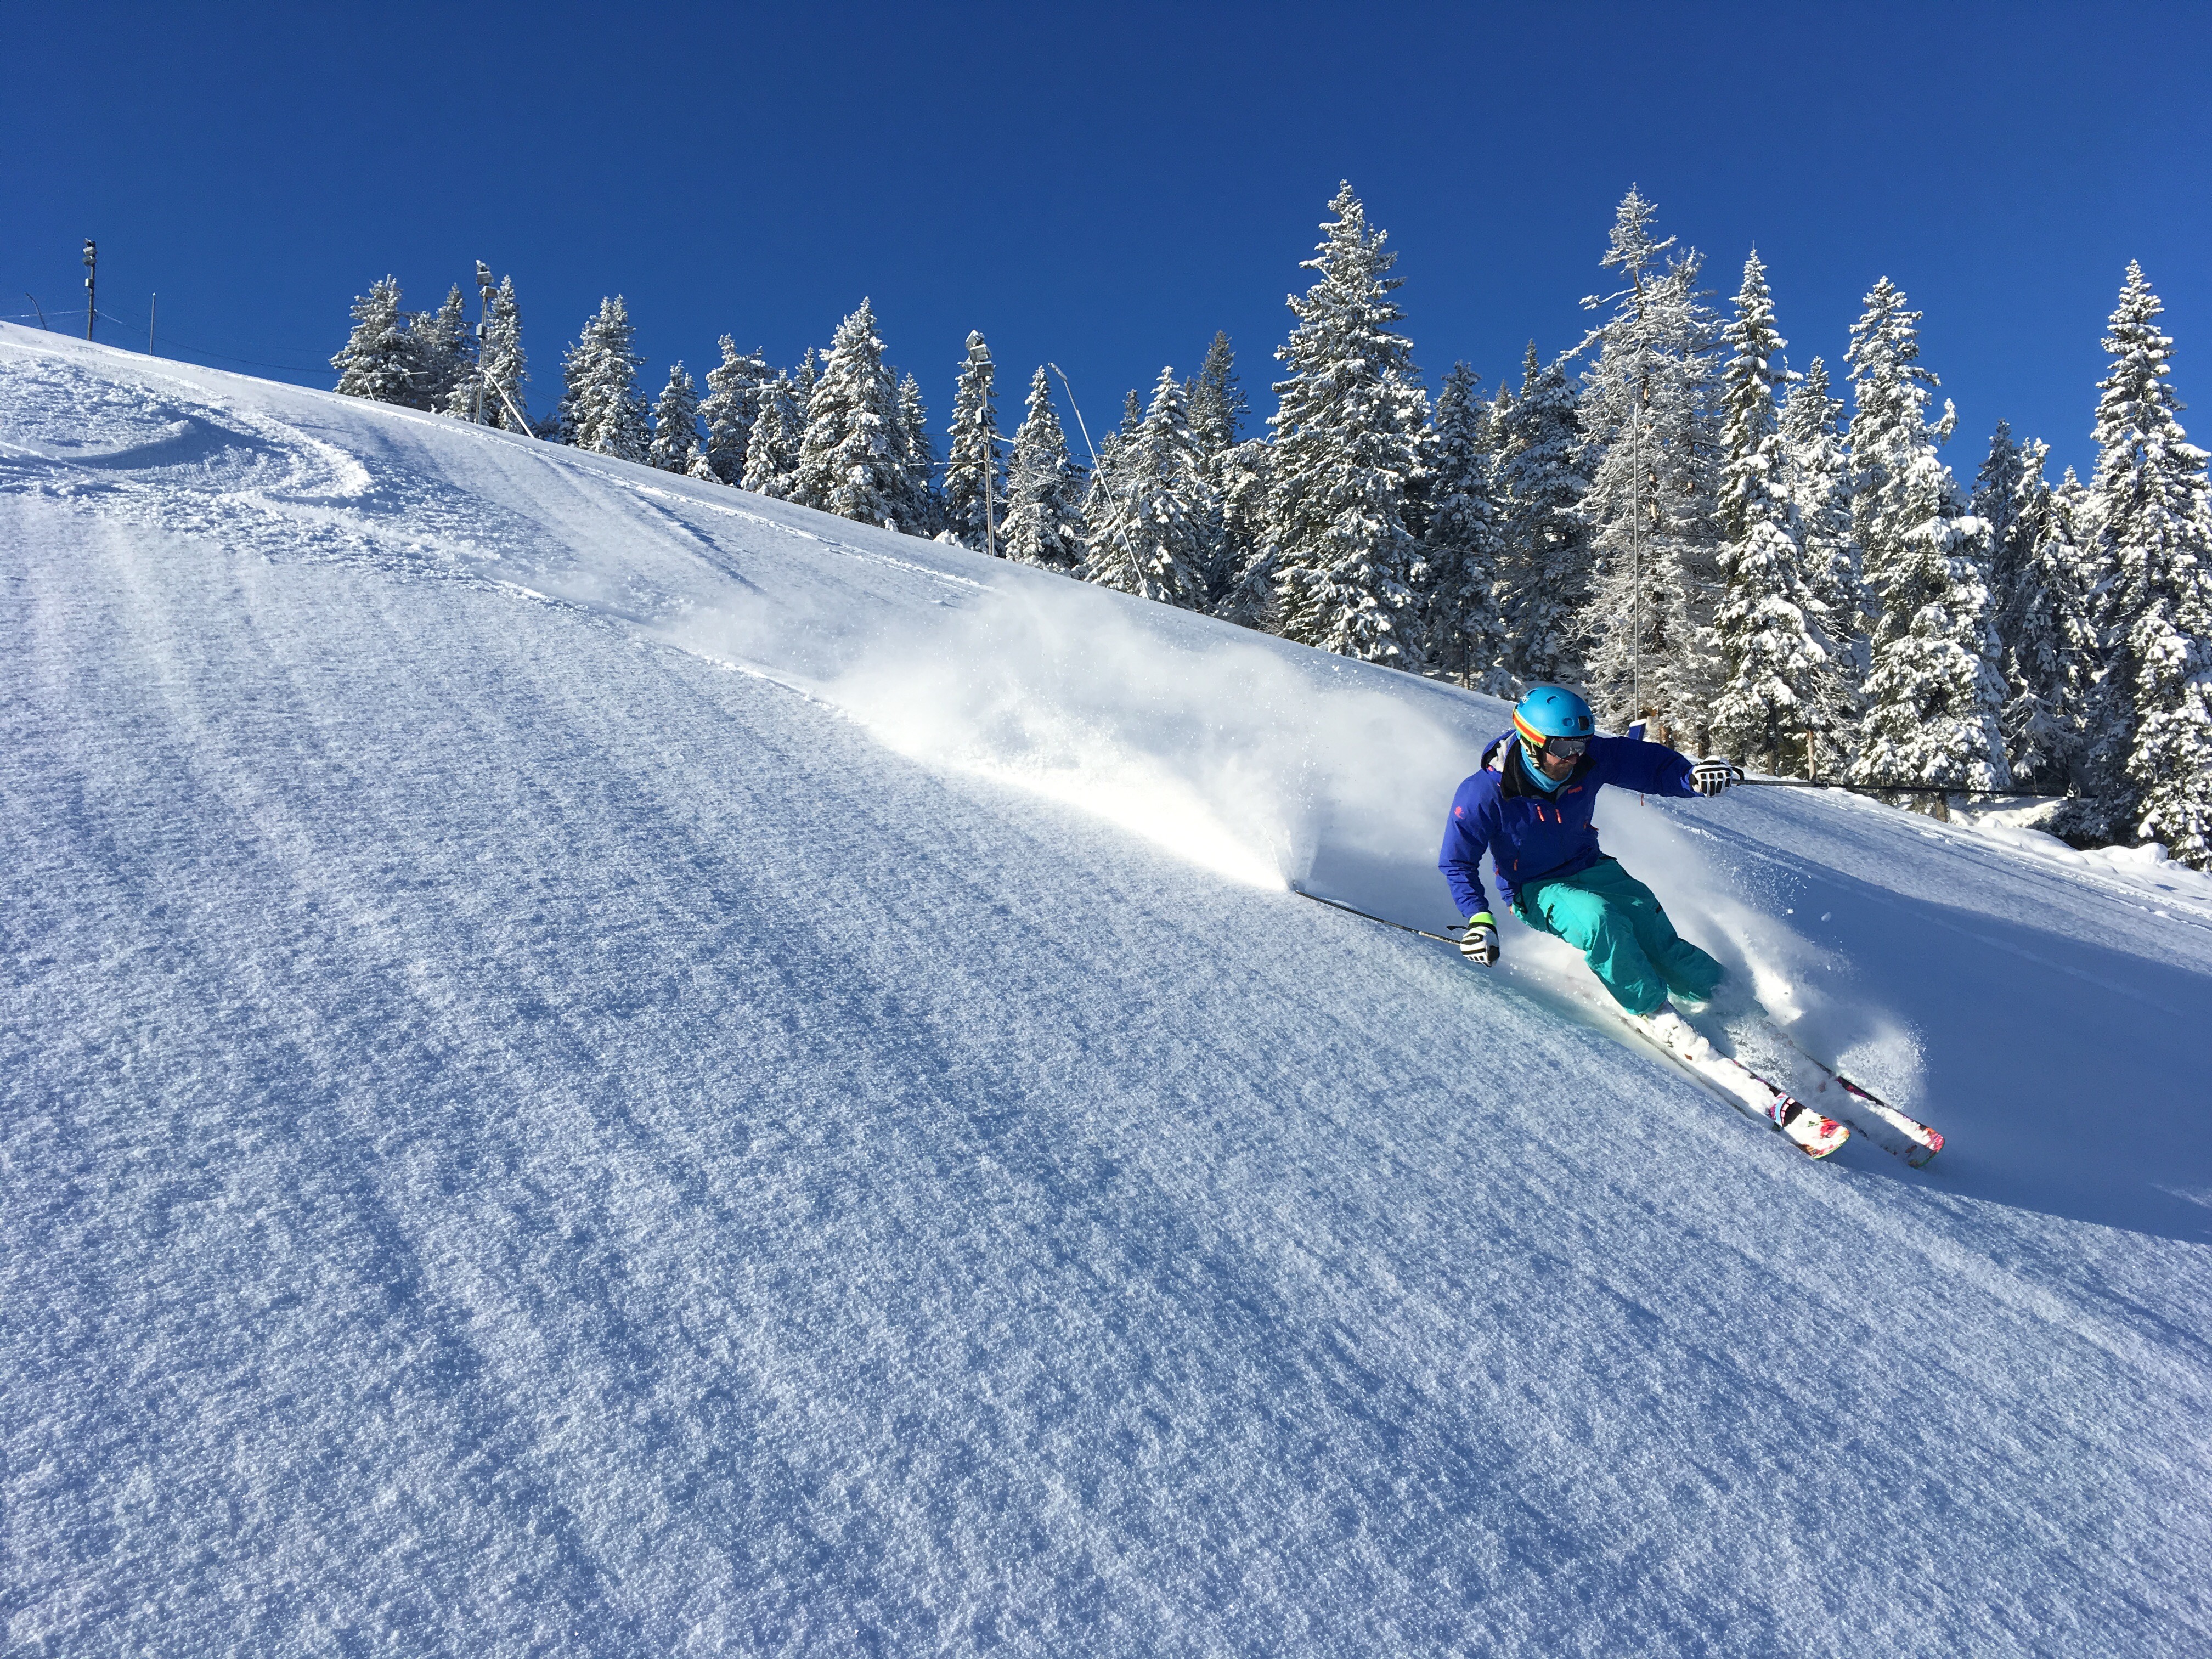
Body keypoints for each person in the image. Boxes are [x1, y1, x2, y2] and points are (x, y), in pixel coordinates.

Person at [1438, 685, 1742, 1057]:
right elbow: (1458, 862)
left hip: (1591, 867)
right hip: (1534, 888)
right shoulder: (1484, 794)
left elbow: (1649, 767)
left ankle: (1735, 1003)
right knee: (1601, 920)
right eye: (1565, 749)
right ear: (1532, 743)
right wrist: (1479, 919)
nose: (1575, 757)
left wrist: (1691, 778)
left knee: (1655, 935)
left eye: (1581, 744)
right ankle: (1653, 1009)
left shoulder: (1586, 758)